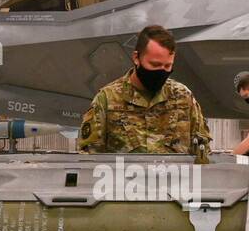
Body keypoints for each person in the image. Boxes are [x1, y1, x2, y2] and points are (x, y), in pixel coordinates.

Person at [78, 25, 211, 155]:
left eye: (167, 66)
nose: (161, 71)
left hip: (174, 177)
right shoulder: (107, 99)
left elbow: (203, 155)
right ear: (136, 58)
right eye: (155, 64)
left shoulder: (183, 97)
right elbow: (90, 161)